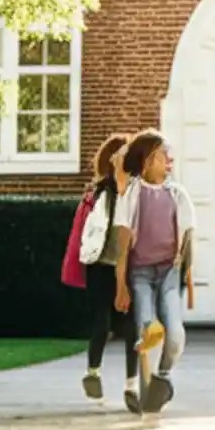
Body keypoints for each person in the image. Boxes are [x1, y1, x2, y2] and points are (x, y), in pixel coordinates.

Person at [112, 129, 196, 414]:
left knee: (174, 335)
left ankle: (163, 376)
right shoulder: (131, 195)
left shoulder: (177, 194)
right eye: (163, 154)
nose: (169, 159)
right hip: (141, 274)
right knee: (146, 330)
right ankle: (145, 389)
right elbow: (122, 247)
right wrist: (121, 285)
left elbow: (187, 241)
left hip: (169, 272)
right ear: (148, 160)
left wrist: (189, 278)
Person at [81, 133, 141, 412]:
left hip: (128, 269)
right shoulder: (101, 192)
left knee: (131, 329)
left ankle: (132, 385)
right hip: (100, 267)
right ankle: (93, 373)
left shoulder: (137, 190)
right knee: (101, 325)